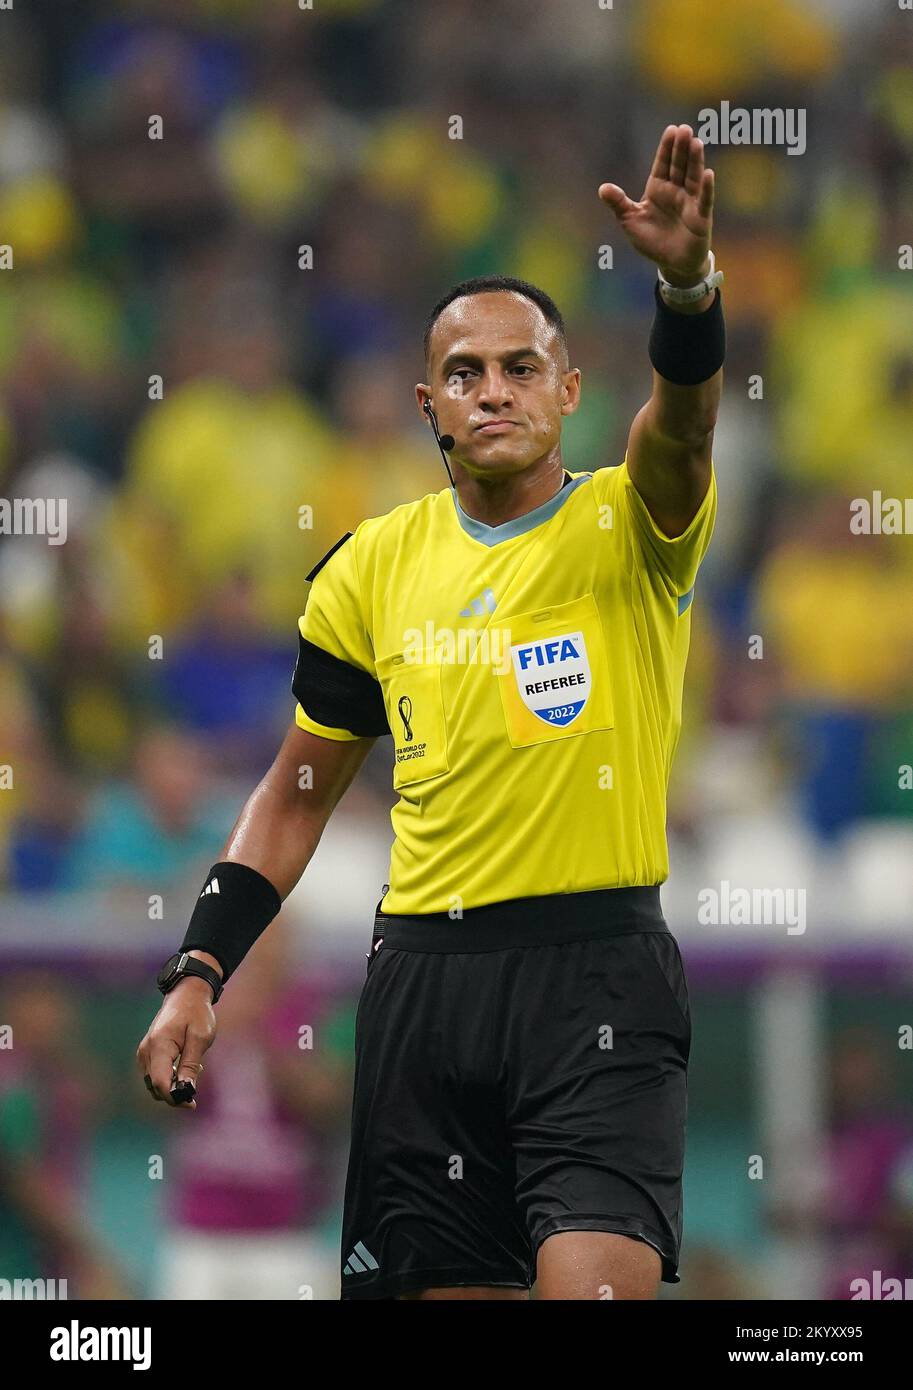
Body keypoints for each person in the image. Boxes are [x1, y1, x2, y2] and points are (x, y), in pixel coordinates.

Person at [137, 123, 725, 1301]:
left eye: (521, 367)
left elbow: (685, 422)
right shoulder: (368, 568)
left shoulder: (632, 523)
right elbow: (295, 794)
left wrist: (685, 287)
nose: (493, 390)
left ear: (569, 390)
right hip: (425, 987)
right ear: (428, 404)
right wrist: (200, 967)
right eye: (464, 373)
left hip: (598, 984)